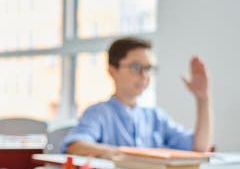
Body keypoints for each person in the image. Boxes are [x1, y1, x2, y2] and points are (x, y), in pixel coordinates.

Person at [62, 37, 212, 158]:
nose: (144, 75)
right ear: (112, 70)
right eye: (135, 67)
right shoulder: (99, 113)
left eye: (148, 69)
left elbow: (199, 147)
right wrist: (125, 155)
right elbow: (75, 145)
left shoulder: (155, 117)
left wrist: (202, 98)